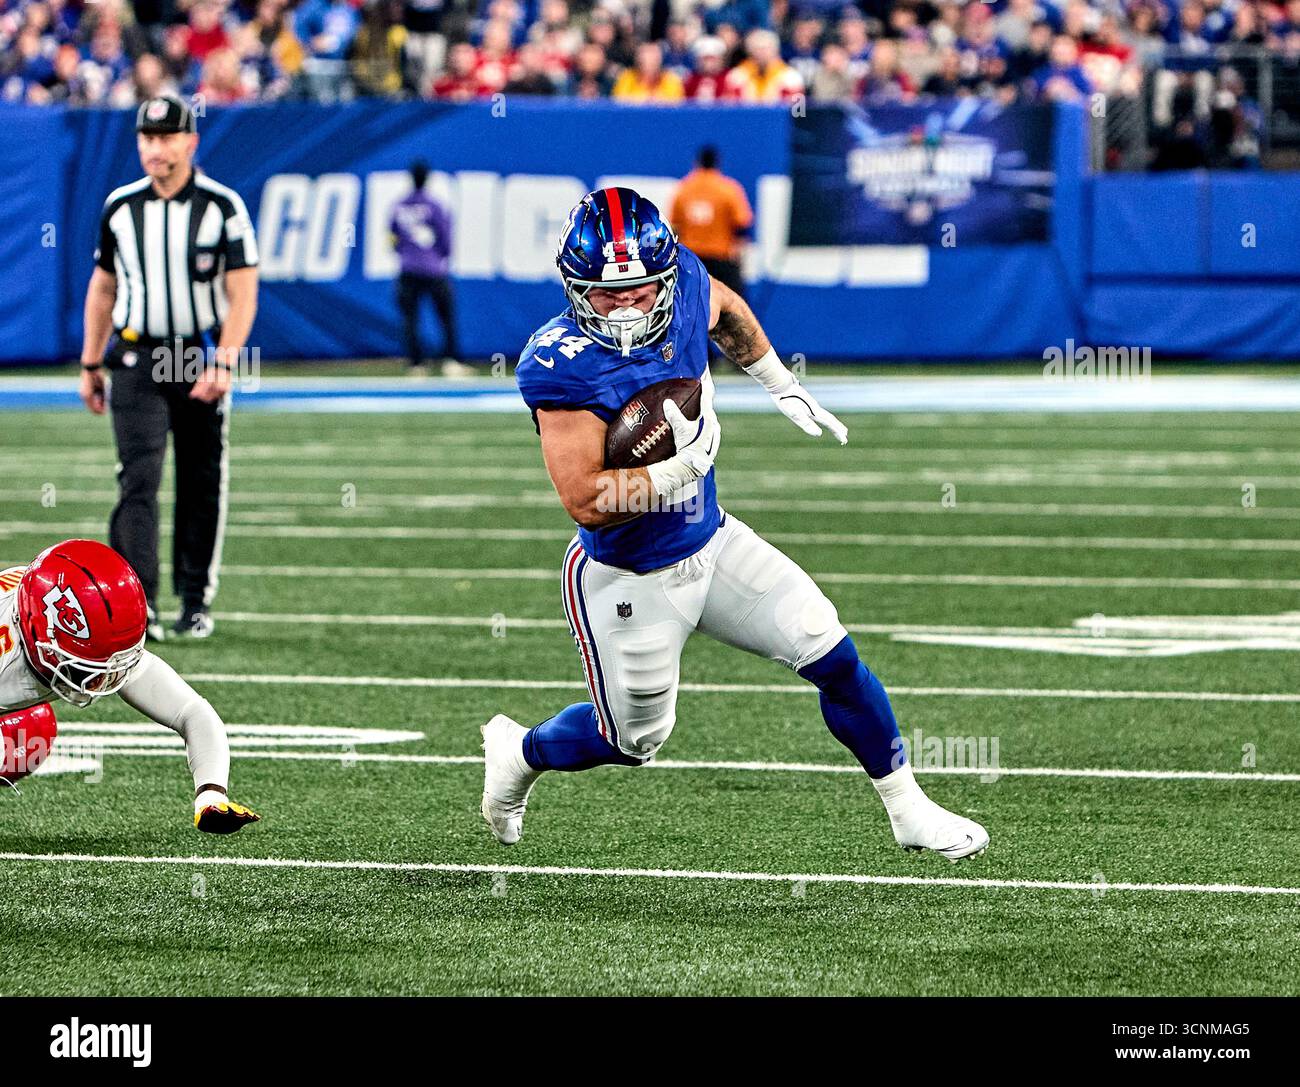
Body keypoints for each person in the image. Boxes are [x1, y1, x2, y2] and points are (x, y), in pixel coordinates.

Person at [484, 188, 990, 862]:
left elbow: (730, 312)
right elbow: (585, 498)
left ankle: (909, 809)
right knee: (632, 741)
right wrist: (680, 469)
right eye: (608, 295)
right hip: (626, 576)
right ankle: (518, 754)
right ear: (575, 289)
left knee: (832, 652)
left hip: (712, 541)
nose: (628, 306)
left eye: (640, 289)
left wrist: (778, 379)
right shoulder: (561, 364)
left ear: (664, 278)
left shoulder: (688, 283)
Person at [79, 94, 259, 642]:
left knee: (201, 478)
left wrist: (225, 358)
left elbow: (243, 289)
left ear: (190, 142)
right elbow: (104, 286)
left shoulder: (222, 206)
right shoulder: (120, 207)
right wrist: (91, 361)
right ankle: (137, 605)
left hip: (193, 352)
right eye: (147, 139)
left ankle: (195, 598)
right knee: (139, 478)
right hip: (134, 355)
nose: (155, 149)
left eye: (165, 138)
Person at [0, 540, 259, 833]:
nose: (103, 680)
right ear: (39, 636)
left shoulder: (85, 635)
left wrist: (211, 793)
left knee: (32, 728)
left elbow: (191, 712)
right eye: (84, 665)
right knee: (29, 733)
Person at [389, 159, 464, 376]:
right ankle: (450, 361)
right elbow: (445, 237)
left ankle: (416, 364)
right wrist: (438, 256)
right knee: (445, 316)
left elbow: (392, 236)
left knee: (410, 318)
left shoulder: (400, 205)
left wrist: (404, 254)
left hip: (408, 269)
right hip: (433, 269)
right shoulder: (434, 205)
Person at [669, 146, 753, 306]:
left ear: (697, 163)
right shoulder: (729, 189)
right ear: (717, 163)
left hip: (691, 260)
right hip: (722, 261)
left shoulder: (684, 189)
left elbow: (674, 228)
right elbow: (743, 225)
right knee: (734, 311)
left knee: (688, 308)